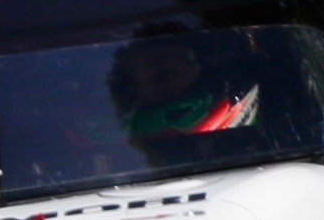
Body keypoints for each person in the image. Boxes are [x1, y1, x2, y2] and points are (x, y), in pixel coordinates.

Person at [109, 33, 260, 142]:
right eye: (132, 85)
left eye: (163, 74)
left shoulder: (272, 130)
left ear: (208, 68)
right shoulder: (122, 135)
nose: (146, 92)